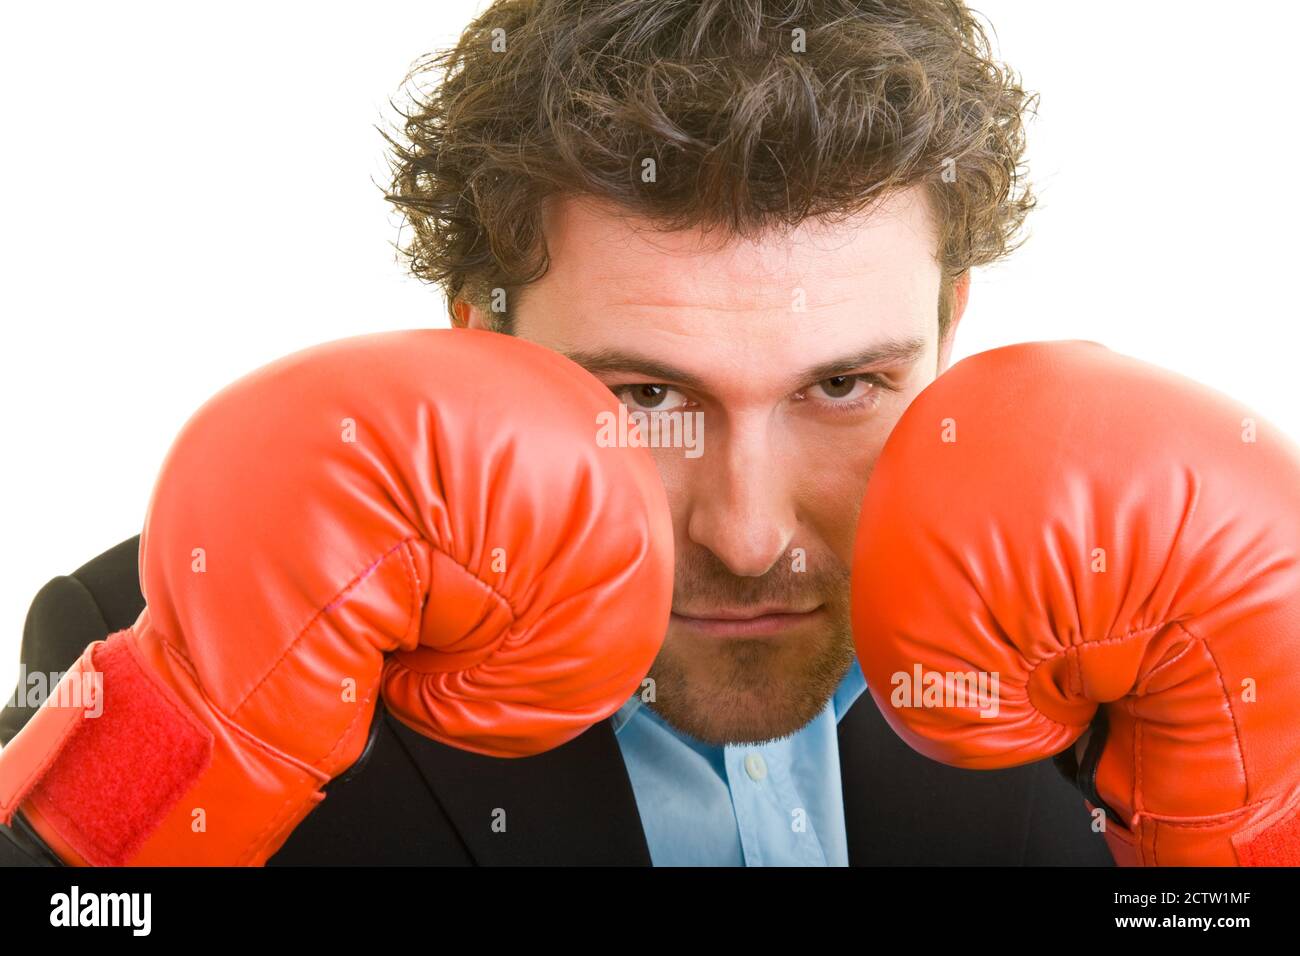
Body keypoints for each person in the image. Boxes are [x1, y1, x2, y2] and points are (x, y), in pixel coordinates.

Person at [0, 0, 1113, 866]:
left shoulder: (1113, 641)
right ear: (481, 337)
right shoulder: (158, 635)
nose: (746, 532)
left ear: (947, 331)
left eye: (841, 385)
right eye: (642, 396)